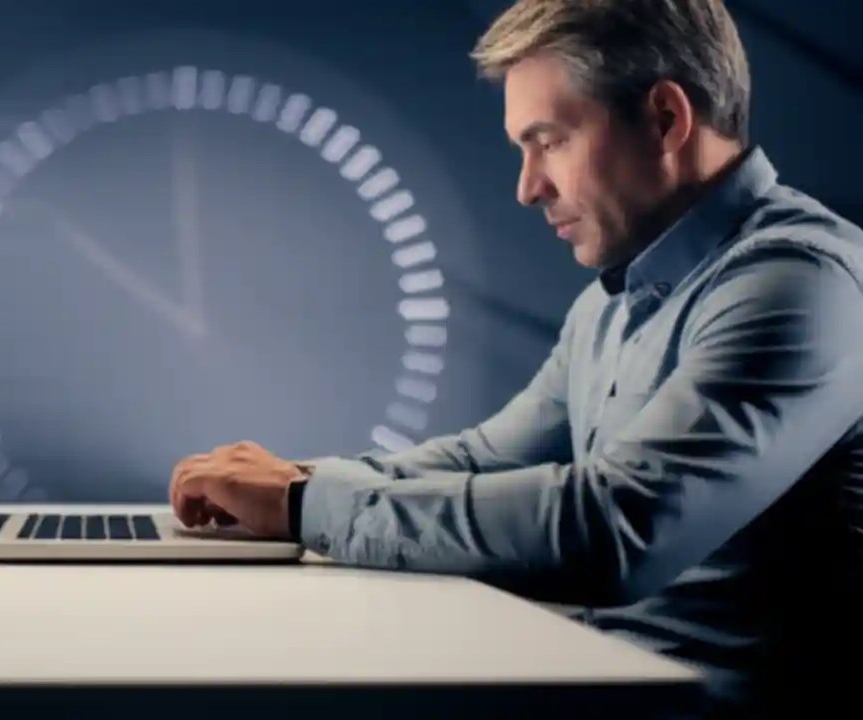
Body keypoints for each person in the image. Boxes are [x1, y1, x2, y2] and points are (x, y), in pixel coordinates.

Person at [168, 0, 863, 716]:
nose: (528, 187)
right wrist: (291, 483)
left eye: (550, 141)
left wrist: (303, 504)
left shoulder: (800, 284)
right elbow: (483, 460)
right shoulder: (612, 301)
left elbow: (614, 529)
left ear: (665, 118)